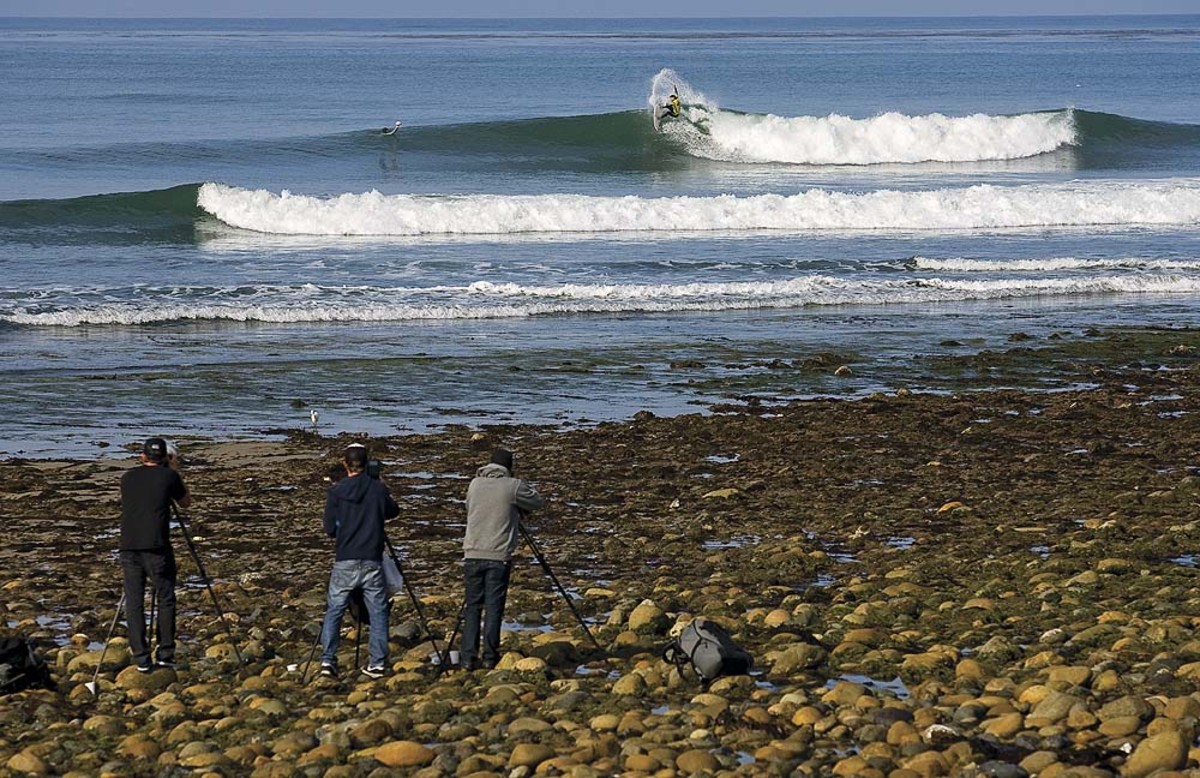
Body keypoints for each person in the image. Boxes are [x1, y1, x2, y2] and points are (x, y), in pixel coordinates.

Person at [319, 443, 399, 679]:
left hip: (345, 557)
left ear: (345, 465)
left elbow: (328, 529)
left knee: (335, 609)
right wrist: (381, 485)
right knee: (378, 611)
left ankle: (327, 661)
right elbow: (393, 511)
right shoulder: (377, 489)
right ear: (367, 464)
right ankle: (377, 662)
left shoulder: (337, 491)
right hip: (371, 559)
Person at [460, 448, 545, 671]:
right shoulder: (512, 486)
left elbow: (470, 507)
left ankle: (467, 658)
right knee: (494, 607)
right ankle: (489, 656)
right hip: (498, 556)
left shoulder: (474, 484)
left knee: (472, 608)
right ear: (509, 467)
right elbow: (537, 501)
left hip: (472, 553)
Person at [119, 437, 191, 672]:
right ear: (165, 459)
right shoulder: (169, 476)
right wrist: (174, 470)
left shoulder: (127, 478)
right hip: (157, 547)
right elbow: (186, 503)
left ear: (142, 456)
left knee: (134, 601)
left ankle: (140, 656)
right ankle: (165, 653)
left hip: (129, 545)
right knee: (165, 597)